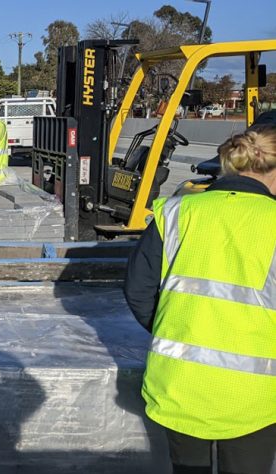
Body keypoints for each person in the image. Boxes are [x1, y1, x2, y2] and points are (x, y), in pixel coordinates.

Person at [124, 124, 276, 474]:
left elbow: (138, 290)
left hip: (180, 383)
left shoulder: (176, 212)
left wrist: (175, 327)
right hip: (255, 395)